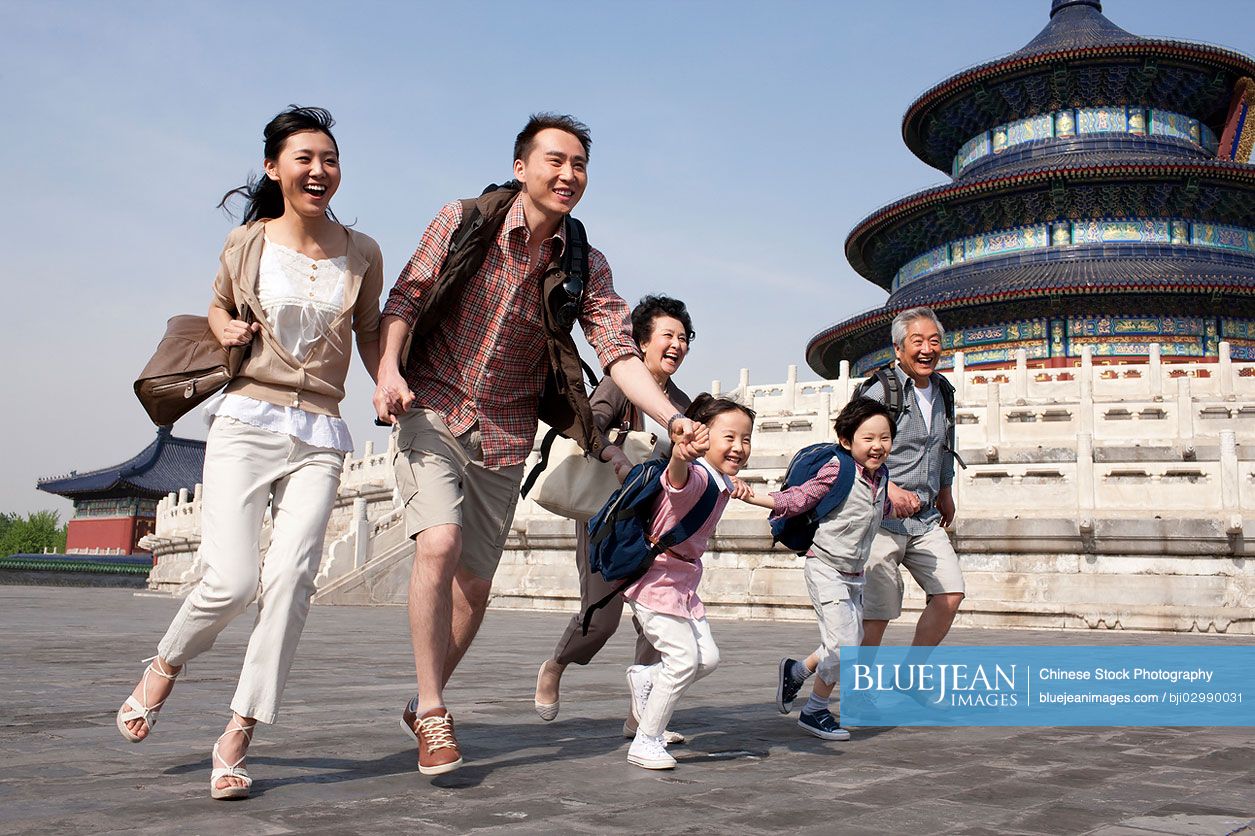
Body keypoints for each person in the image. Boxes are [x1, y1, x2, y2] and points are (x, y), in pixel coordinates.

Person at [373, 113, 697, 776]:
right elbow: (405, 296)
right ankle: (433, 710)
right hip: (431, 404)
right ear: (521, 167)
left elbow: (617, 352)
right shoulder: (463, 219)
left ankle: (424, 696)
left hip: (506, 429)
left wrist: (670, 416)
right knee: (438, 543)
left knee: (474, 587)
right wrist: (387, 372)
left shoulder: (584, 264)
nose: (568, 174)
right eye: (555, 160)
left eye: (579, 164)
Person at [115, 106, 384, 799]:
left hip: (320, 430)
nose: (319, 170)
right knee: (231, 582)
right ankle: (166, 664)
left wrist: (388, 379)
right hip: (246, 420)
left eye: (329, 158)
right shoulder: (248, 242)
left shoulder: (362, 251)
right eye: (305, 158)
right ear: (273, 167)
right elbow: (216, 305)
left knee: (292, 580)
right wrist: (226, 327)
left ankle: (238, 731)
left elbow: (370, 331)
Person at [534, 295, 695, 743]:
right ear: (641, 342)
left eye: (684, 338)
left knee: (657, 621)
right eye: (668, 335)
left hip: (656, 522)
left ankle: (642, 715)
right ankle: (556, 665)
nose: (677, 345)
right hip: (609, 514)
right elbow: (588, 425)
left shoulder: (682, 402)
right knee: (602, 618)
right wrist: (613, 452)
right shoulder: (619, 383)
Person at [743, 398, 897, 740]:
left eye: (885, 438)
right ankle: (814, 711)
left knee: (847, 643)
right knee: (845, 645)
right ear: (846, 440)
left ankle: (797, 671)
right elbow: (798, 498)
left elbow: (877, 508)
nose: (877, 446)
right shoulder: (838, 468)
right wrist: (750, 496)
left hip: (855, 574)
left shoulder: (881, 475)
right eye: (868, 438)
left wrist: (906, 505)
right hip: (826, 566)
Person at [621, 394, 756, 770]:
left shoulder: (718, 479)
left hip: (682, 585)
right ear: (703, 437)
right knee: (682, 661)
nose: (738, 446)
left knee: (707, 659)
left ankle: (647, 679)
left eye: (746, 439)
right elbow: (677, 479)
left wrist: (734, 482)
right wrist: (680, 454)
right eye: (729, 437)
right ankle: (646, 740)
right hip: (656, 582)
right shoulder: (694, 475)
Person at [860, 307, 965, 648]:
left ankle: (910, 672)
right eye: (917, 341)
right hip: (880, 520)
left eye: (934, 341)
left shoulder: (943, 391)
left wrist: (946, 490)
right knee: (877, 614)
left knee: (950, 593)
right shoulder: (880, 392)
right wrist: (888, 487)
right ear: (898, 348)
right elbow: (851, 450)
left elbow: (945, 444)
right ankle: (851, 680)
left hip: (925, 517)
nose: (927, 349)